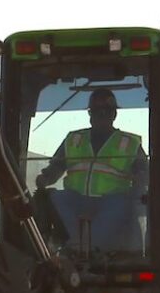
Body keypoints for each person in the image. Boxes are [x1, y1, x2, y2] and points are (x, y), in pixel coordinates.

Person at [34, 89, 148, 252]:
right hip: (76, 198)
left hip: (111, 200)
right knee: (56, 198)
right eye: (96, 111)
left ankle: (89, 248)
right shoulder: (74, 139)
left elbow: (144, 172)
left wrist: (140, 177)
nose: (101, 115)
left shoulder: (130, 143)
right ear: (90, 114)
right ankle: (76, 244)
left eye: (106, 111)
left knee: (124, 204)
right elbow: (57, 166)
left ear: (114, 114)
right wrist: (45, 178)